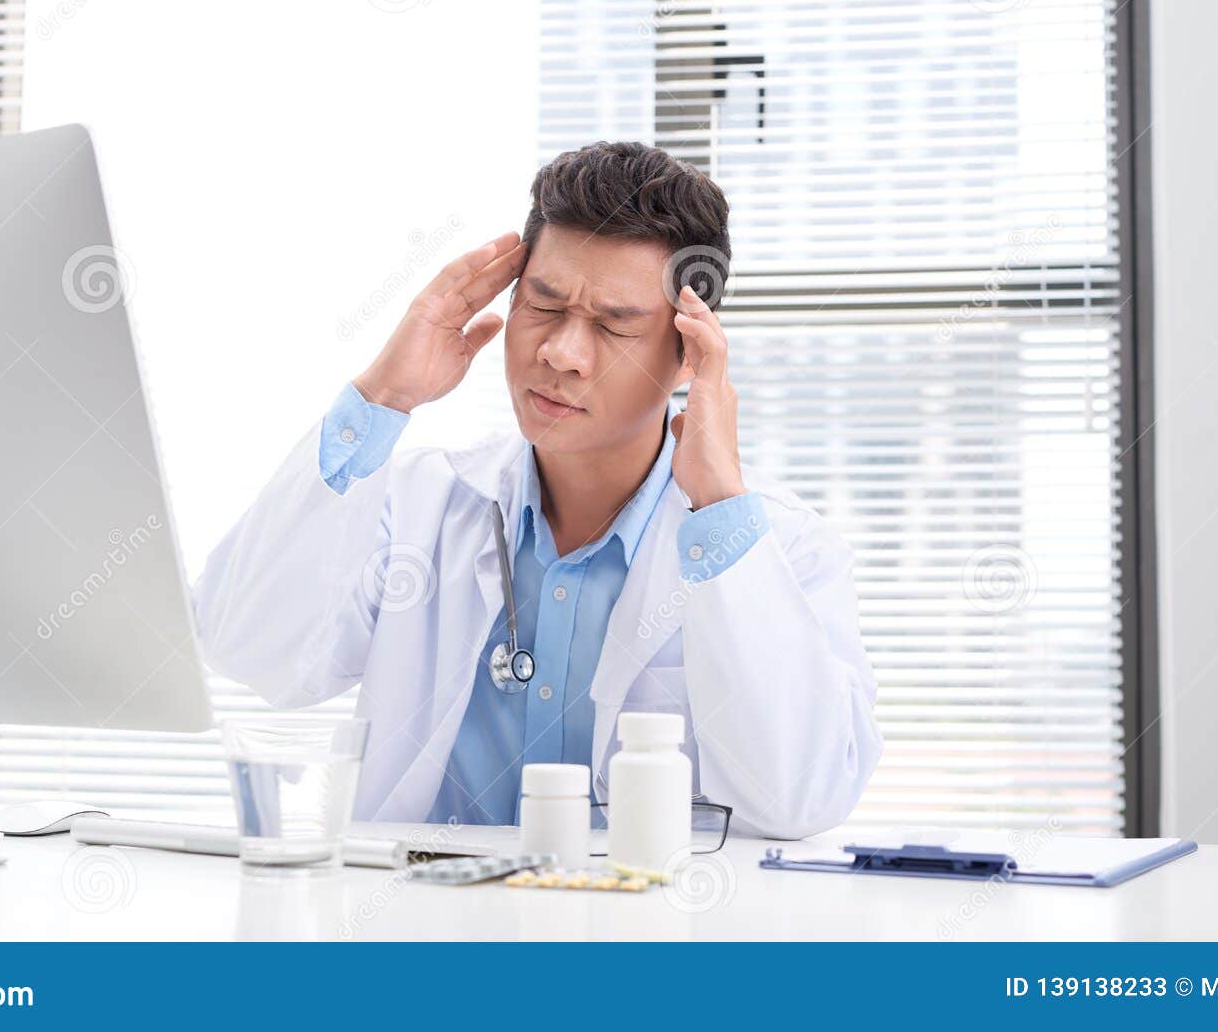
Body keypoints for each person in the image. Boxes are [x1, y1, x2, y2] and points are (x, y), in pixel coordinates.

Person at [194, 142, 881, 838]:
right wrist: (383, 397)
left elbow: (800, 798)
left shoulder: (778, 545)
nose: (560, 354)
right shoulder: (418, 502)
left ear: (687, 356)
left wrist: (721, 509)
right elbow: (253, 652)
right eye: (543, 306)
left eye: (614, 325)